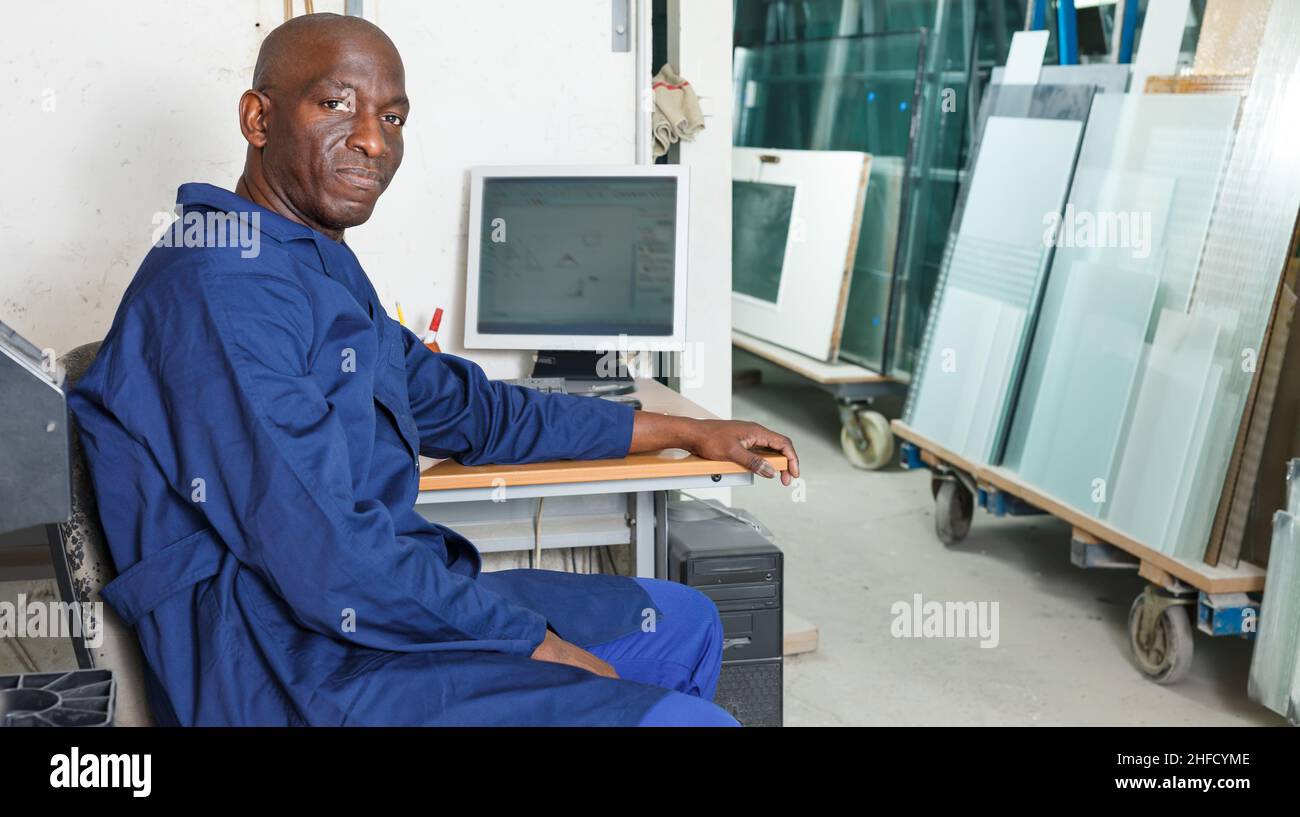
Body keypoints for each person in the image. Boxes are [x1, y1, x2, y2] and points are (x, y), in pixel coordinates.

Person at [69, 12, 799, 726]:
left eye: (393, 119)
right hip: (290, 667)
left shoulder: (309, 263)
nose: (371, 141)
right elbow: (324, 552)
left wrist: (689, 431)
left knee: (684, 620)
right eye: (335, 104)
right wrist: (530, 641)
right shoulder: (218, 290)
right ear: (257, 120)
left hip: (367, 611)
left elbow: (474, 411)